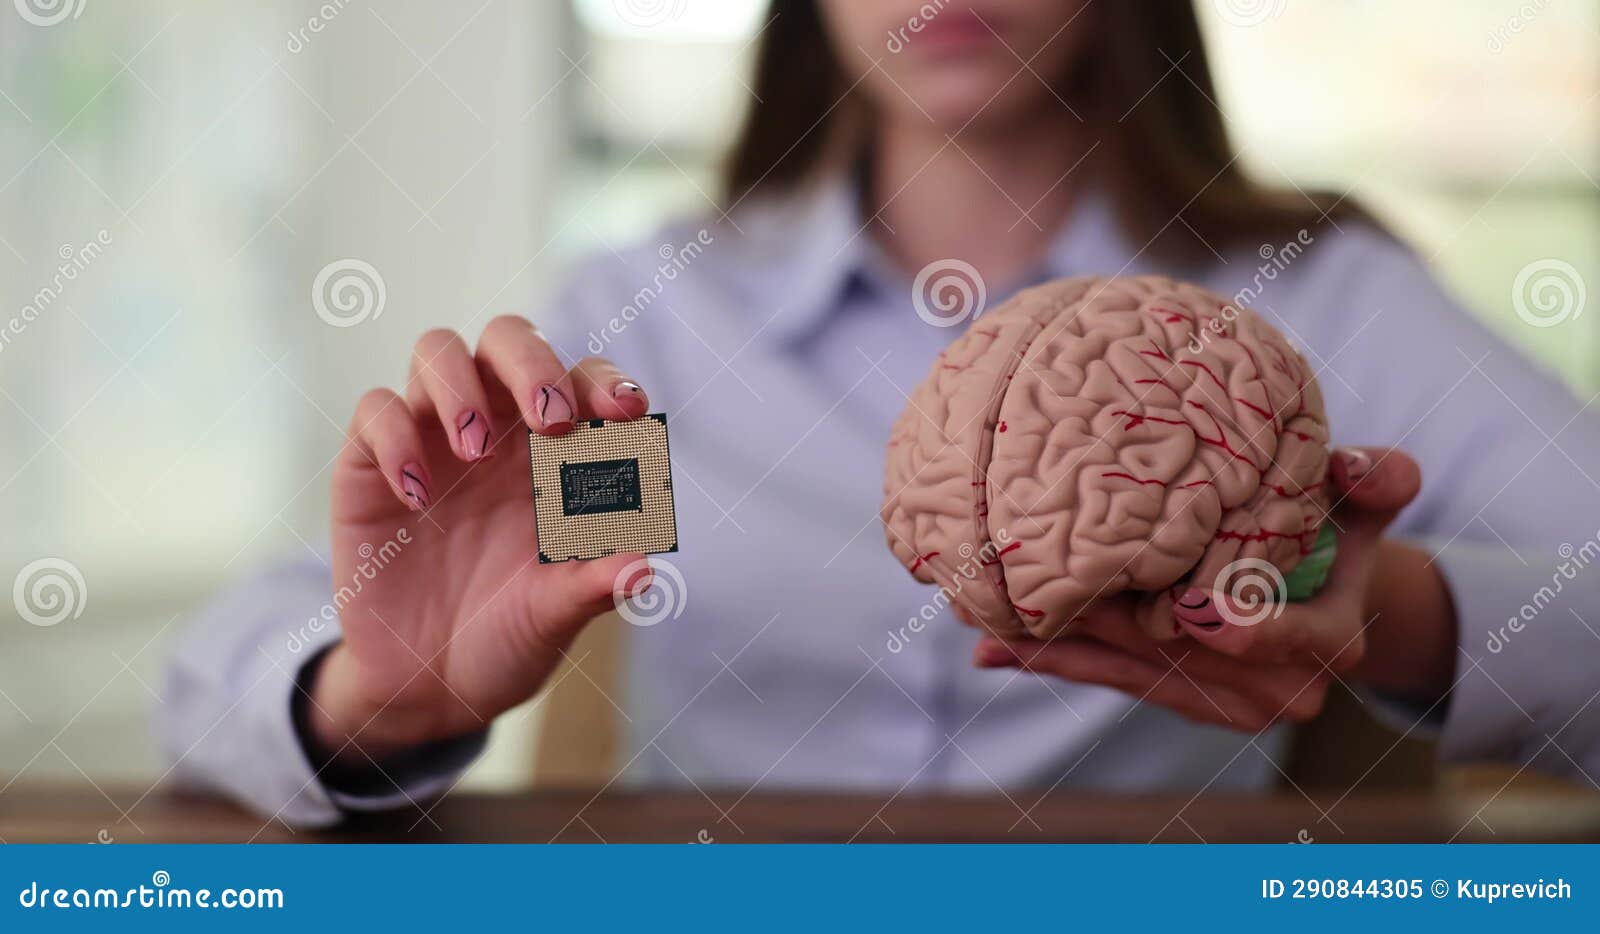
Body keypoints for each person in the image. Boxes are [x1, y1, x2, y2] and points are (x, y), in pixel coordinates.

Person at [162, 0, 1600, 826]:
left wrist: (1399, 617)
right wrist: (373, 693)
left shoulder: (1315, 303)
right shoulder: (662, 326)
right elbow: (213, 681)